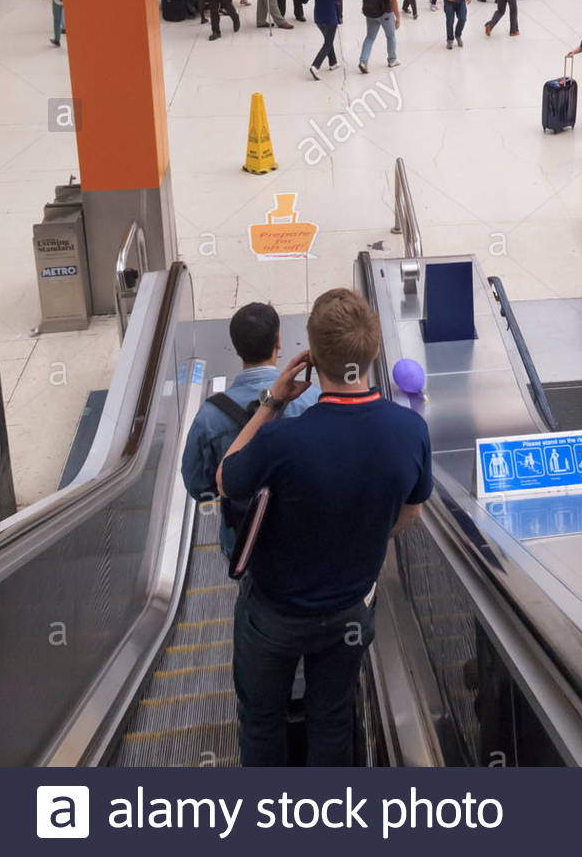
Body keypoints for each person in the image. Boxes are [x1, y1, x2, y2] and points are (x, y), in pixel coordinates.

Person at [217, 287, 432, 767]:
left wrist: (272, 402)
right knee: (332, 716)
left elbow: (227, 480)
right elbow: (412, 514)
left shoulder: (282, 439)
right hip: (349, 612)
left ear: (311, 358)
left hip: (273, 615)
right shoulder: (409, 431)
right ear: (374, 353)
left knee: (262, 718)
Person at [181, 302, 318, 557]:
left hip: (245, 542)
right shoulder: (313, 400)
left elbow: (198, 487)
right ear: (278, 340)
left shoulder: (209, 418)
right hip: (305, 534)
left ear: (235, 348)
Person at [358, 0, 400, 73]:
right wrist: (398, 17)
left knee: (370, 37)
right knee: (390, 36)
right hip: (385, 14)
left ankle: (363, 61)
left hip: (370, 13)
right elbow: (392, 0)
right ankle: (392, 60)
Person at [310, 0, 343, 79]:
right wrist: (339, 17)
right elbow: (338, 2)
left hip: (318, 17)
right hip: (330, 18)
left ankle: (333, 63)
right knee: (328, 43)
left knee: (328, 40)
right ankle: (315, 65)